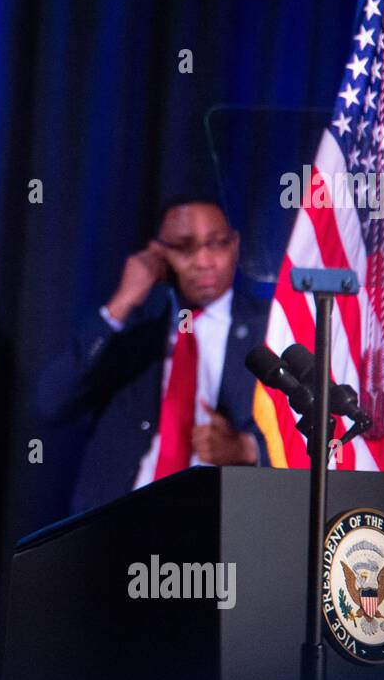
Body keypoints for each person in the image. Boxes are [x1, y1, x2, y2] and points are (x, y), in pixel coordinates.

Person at [38, 197, 267, 514]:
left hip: (221, 525)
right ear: (159, 255)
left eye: (216, 244)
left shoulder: (272, 328)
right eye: (184, 248)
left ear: (235, 245)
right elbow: (51, 403)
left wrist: (245, 448)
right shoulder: (132, 330)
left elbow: (320, 441)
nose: (203, 260)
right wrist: (121, 303)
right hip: (118, 525)